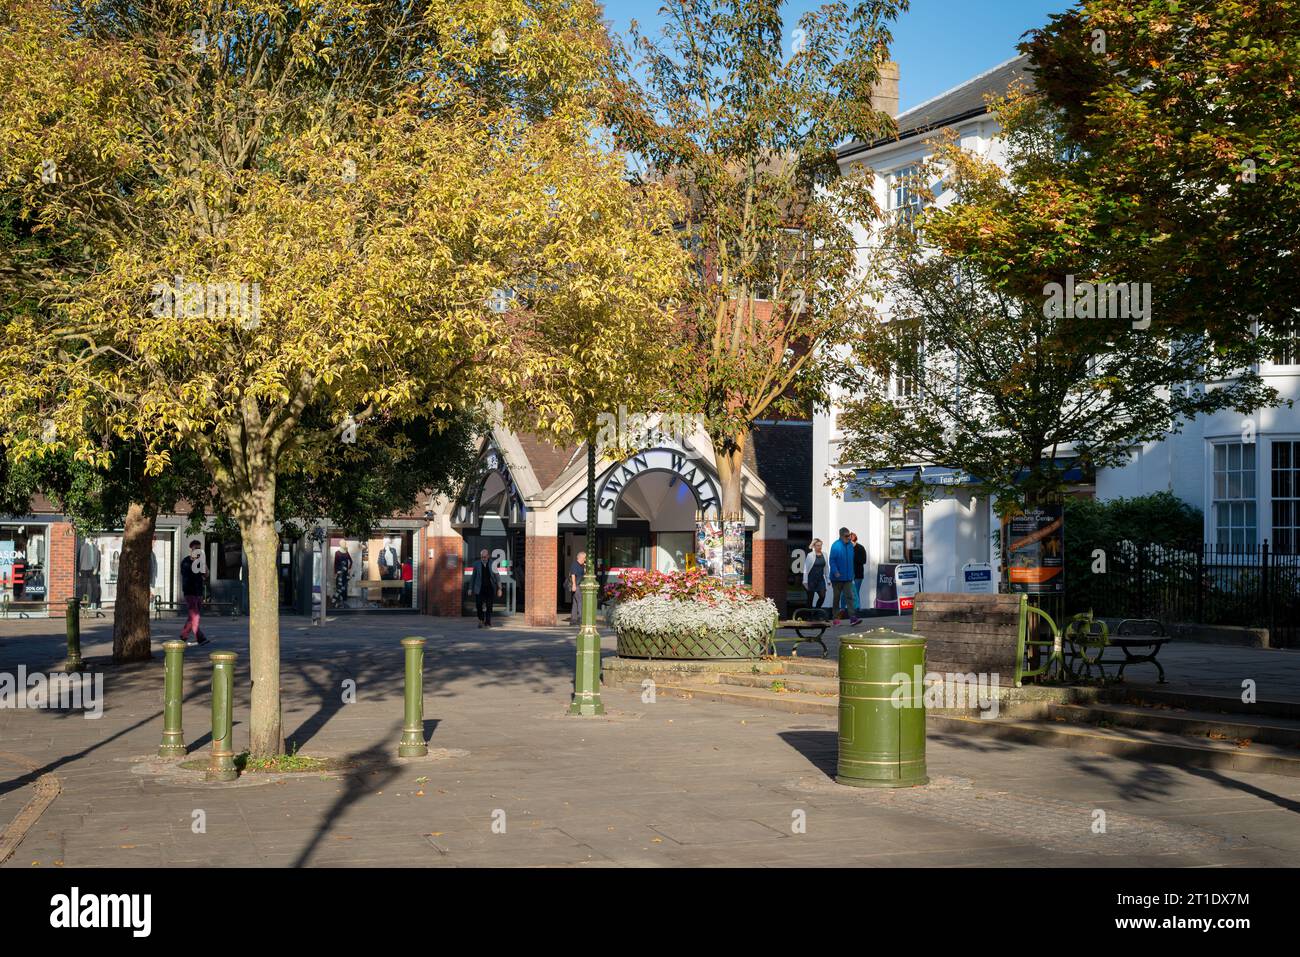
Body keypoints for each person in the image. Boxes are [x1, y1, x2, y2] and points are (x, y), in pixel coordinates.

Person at [828, 527, 861, 626]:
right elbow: (832, 560)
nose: (849, 538)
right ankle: (835, 618)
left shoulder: (850, 545)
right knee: (837, 598)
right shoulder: (836, 546)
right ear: (841, 536)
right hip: (837, 578)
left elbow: (851, 561)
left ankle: (852, 618)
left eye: (849, 536)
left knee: (849, 597)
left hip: (848, 578)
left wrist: (852, 574)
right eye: (847, 536)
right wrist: (835, 571)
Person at [179, 539, 209, 646]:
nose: (197, 550)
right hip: (190, 592)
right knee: (195, 616)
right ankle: (200, 638)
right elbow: (187, 575)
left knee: (192, 617)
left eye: (199, 548)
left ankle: (183, 636)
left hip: (199, 592)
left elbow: (206, 575)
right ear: (191, 549)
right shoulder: (186, 562)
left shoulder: (200, 561)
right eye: (195, 548)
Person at [469, 548, 502, 627]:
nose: (483, 558)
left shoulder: (493, 564)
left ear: (488, 556)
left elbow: (497, 577)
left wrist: (499, 588)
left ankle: (488, 621)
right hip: (479, 588)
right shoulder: (476, 564)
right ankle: (481, 620)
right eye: (482, 557)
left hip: (490, 588)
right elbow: (473, 577)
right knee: (479, 605)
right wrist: (470, 588)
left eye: (485, 557)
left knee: (489, 605)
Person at [801, 539, 827, 611]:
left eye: (821, 545)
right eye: (818, 545)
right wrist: (805, 582)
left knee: (822, 596)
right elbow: (806, 569)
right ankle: (809, 616)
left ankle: (816, 612)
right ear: (814, 546)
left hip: (820, 580)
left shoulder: (825, 554)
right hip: (811, 580)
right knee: (810, 599)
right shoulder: (810, 555)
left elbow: (826, 567)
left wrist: (828, 580)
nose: (820, 547)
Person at [850, 532, 867, 615]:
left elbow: (863, 560)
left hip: (858, 573)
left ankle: (857, 608)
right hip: (849, 573)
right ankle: (855, 607)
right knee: (850, 591)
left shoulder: (860, 548)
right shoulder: (847, 548)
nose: (851, 544)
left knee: (856, 591)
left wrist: (853, 556)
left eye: (852, 542)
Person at [569, 550, 587, 626]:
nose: (585, 559)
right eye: (585, 558)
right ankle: (580, 618)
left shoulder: (581, 565)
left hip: (578, 585)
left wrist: (585, 568)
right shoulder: (575, 564)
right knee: (580, 601)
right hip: (576, 586)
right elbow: (573, 575)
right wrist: (574, 585)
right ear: (581, 557)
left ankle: (573, 620)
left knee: (575, 603)